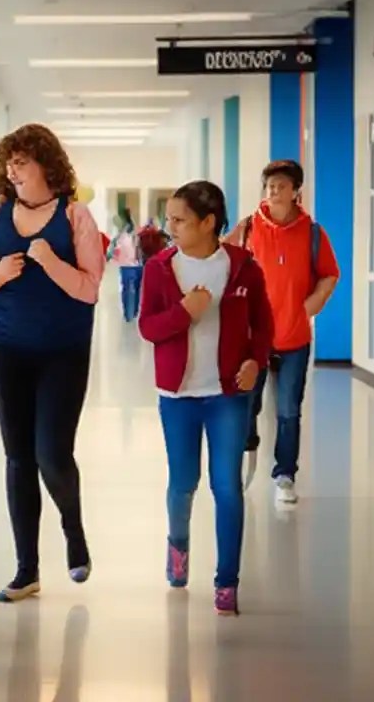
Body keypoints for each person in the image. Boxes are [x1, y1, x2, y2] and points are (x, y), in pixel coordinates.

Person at [0, 124, 105, 602]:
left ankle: (73, 529)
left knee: (52, 453)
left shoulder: (75, 216)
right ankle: (26, 569)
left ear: (46, 165)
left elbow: (89, 289)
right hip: (6, 348)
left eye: (22, 162)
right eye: (9, 163)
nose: (13, 171)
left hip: (64, 351)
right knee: (17, 456)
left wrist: (49, 261)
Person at [140, 180, 274, 617]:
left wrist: (255, 361)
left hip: (227, 394)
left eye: (180, 220)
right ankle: (178, 548)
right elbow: (148, 328)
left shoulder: (243, 267)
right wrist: (184, 312)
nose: (171, 227)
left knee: (227, 485)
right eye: (170, 219)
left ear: (208, 222)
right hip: (177, 395)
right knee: (183, 483)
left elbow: (263, 326)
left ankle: (227, 581)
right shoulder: (160, 268)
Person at [224, 160, 339, 504]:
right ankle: (245, 454)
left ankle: (285, 475)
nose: (274, 191)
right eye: (270, 185)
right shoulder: (248, 228)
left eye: (281, 186)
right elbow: (223, 264)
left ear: (295, 192)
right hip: (253, 338)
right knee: (246, 404)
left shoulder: (312, 233)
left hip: (294, 337)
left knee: (289, 411)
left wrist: (311, 304)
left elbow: (329, 273)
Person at [108, 208, 143, 321]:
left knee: (128, 289)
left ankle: (129, 314)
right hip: (137, 263)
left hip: (127, 265)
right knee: (136, 289)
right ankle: (134, 312)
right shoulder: (134, 230)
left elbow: (116, 248)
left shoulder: (123, 233)